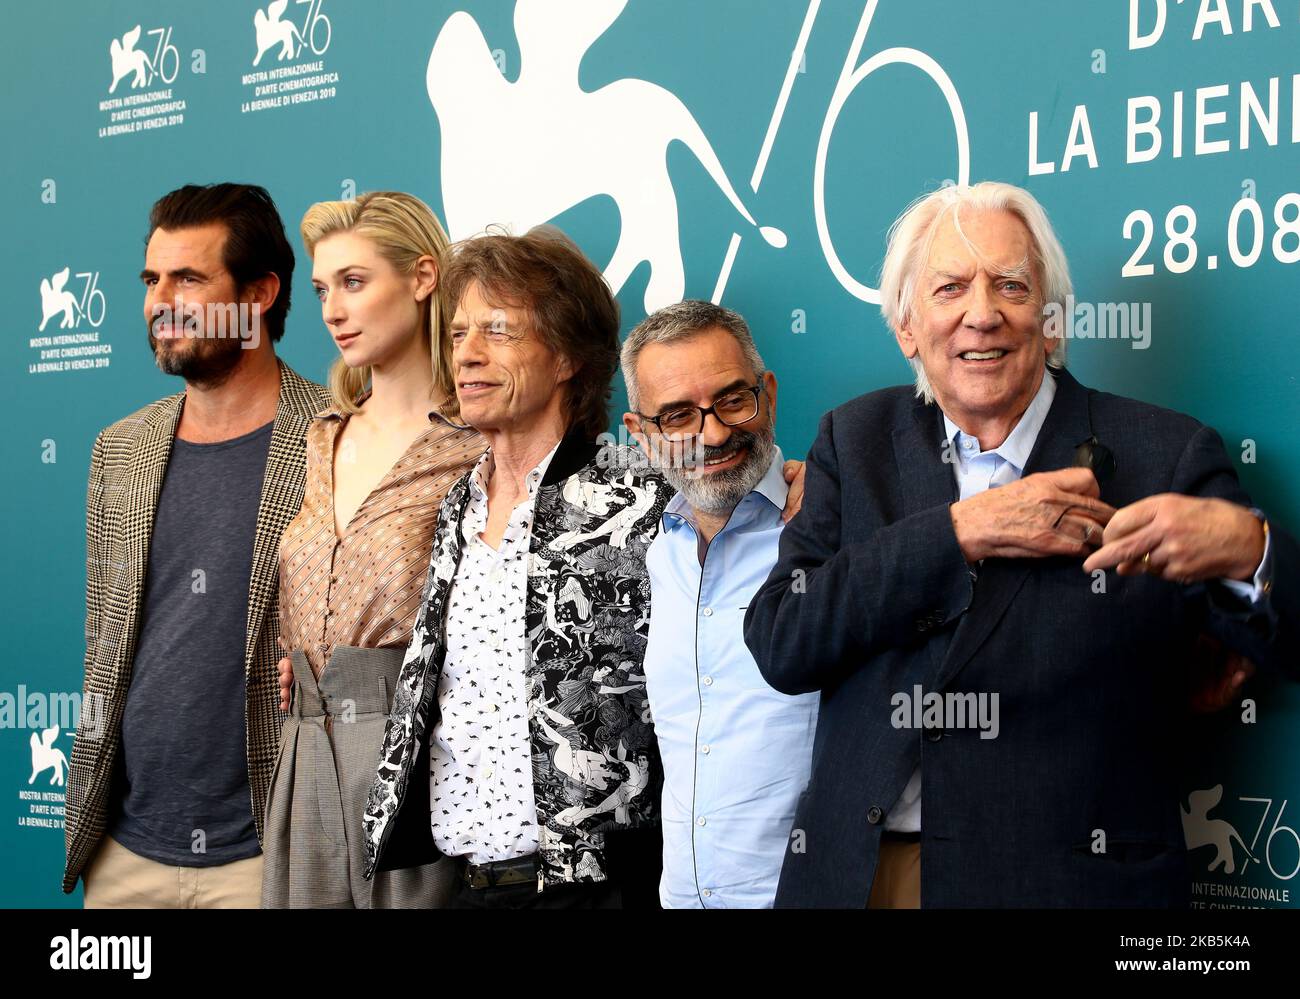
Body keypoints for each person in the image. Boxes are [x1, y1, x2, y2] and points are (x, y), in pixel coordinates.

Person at [744, 181, 1299, 908]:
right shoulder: (855, 440)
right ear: (908, 327)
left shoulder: (1163, 451)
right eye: (950, 288)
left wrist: (1248, 549)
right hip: (858, 880)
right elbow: (784, 638)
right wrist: (959, 532)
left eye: (1011, 284)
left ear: (1052, 318)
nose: (983, 314)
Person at [352, 228, 807, 908]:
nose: (467, 355)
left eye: (497, 332)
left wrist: (806, 482)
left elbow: (741, 476)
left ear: (566, 354)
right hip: (463, 883)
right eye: (457, 334)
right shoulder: (458, 502)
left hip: (598, 886)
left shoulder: (647, 486)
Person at [64, 183, 330, 906]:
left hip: (267, 850)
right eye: (152, 279)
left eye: (188, 278)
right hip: (125, 852)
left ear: (260, 291)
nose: (160, 300)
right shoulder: (118, 449)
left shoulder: (336, 437)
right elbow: (104, 646)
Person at [261, 192, 485, 908]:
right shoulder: (319, 437)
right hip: (303, 746)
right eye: (324, 288)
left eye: (355, 283)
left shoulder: (477, 441)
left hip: (416, 744)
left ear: (423, 277)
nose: (331, 310)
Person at [620, 300, 818, 908]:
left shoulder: (828, 532)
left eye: (733, 399)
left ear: (770, 395)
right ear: (642, 436)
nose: (713, 433)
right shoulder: (659, 554)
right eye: (678, 416)